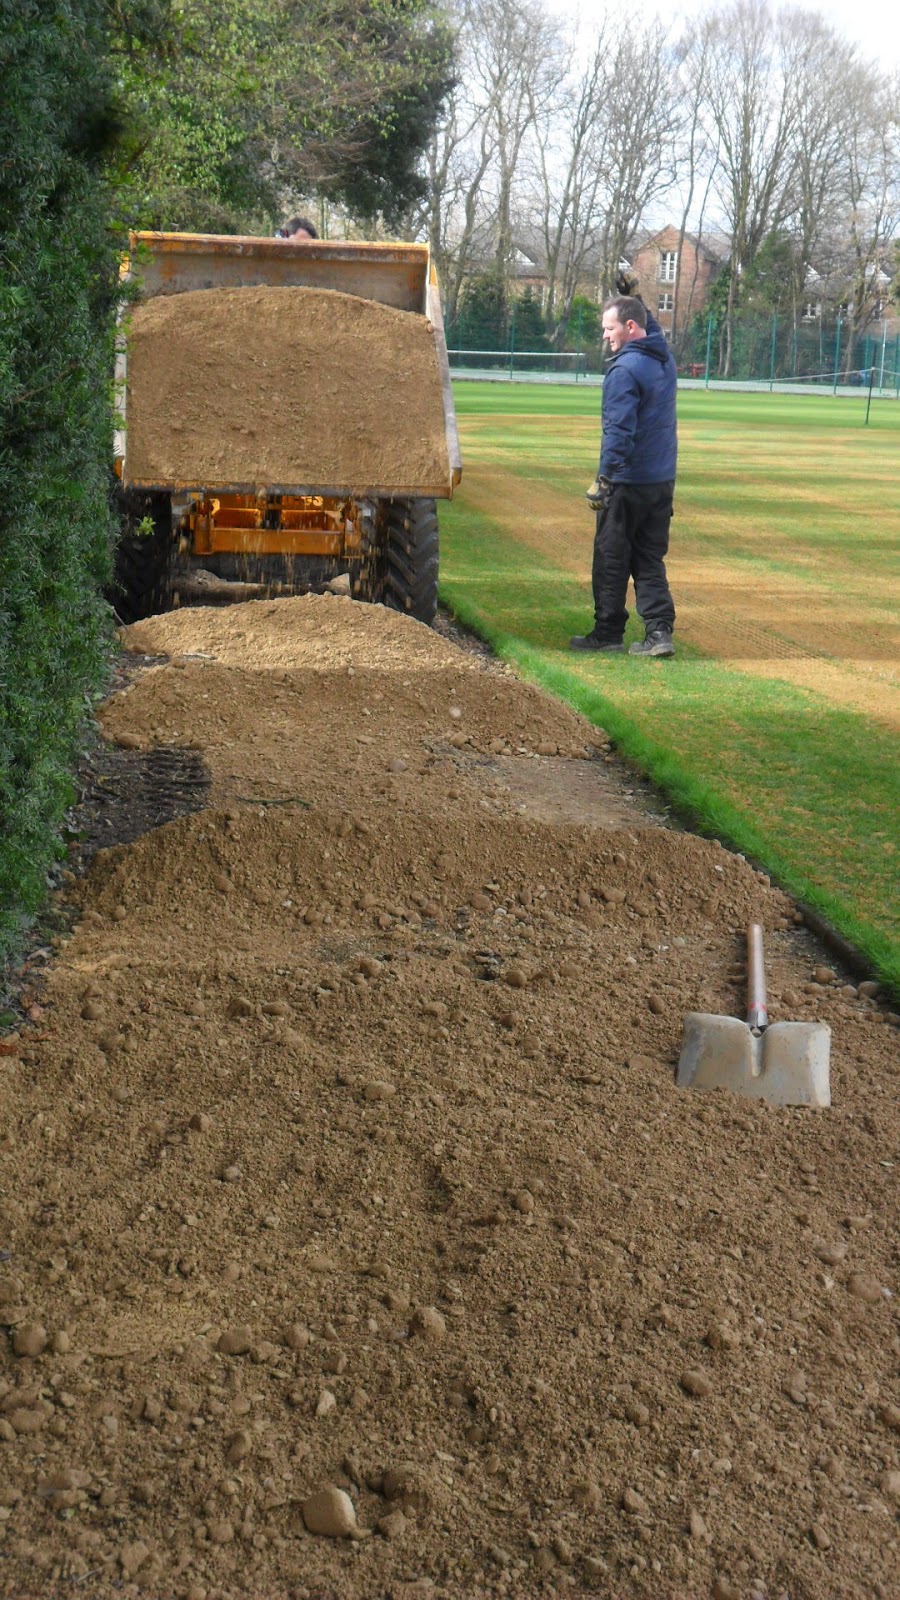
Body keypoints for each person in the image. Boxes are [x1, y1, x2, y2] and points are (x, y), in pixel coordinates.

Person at [570, 272, 677, 658]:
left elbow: (618, 430)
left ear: (628, 327)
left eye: (609, 327)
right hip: (662, 480)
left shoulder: (623, 371)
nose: (604, 335)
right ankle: (659, 633)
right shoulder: (663, 358)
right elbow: (651, 328)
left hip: (628, 481)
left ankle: (607, 632)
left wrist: (605, 478)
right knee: (650, 557)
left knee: (611, 557)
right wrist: (635, 297)